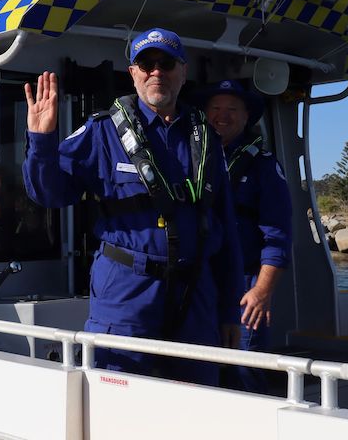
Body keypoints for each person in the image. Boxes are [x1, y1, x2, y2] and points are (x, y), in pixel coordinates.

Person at [23, 28, 244, 386]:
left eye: (166, 63)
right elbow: (49, 195)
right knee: (118, 401)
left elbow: (226, 228)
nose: (157, 71)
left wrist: (230, 310)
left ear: (182, 72)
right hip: (126, 295)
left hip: (196, 297)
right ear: (134, 73)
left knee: (200, 404)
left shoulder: (206, 140)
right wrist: (41, 141)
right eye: (147, 63)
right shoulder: (101, 132)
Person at [201, 79, 292, 392]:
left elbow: (278, 237)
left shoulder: (263, 167)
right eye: (215, 108)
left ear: (245, 118)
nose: (222, 116)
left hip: (245, 288)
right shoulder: (190, 160)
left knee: (246, 371)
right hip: (199, 285)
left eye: (231, 110)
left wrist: (262, 291)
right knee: (197, 369)